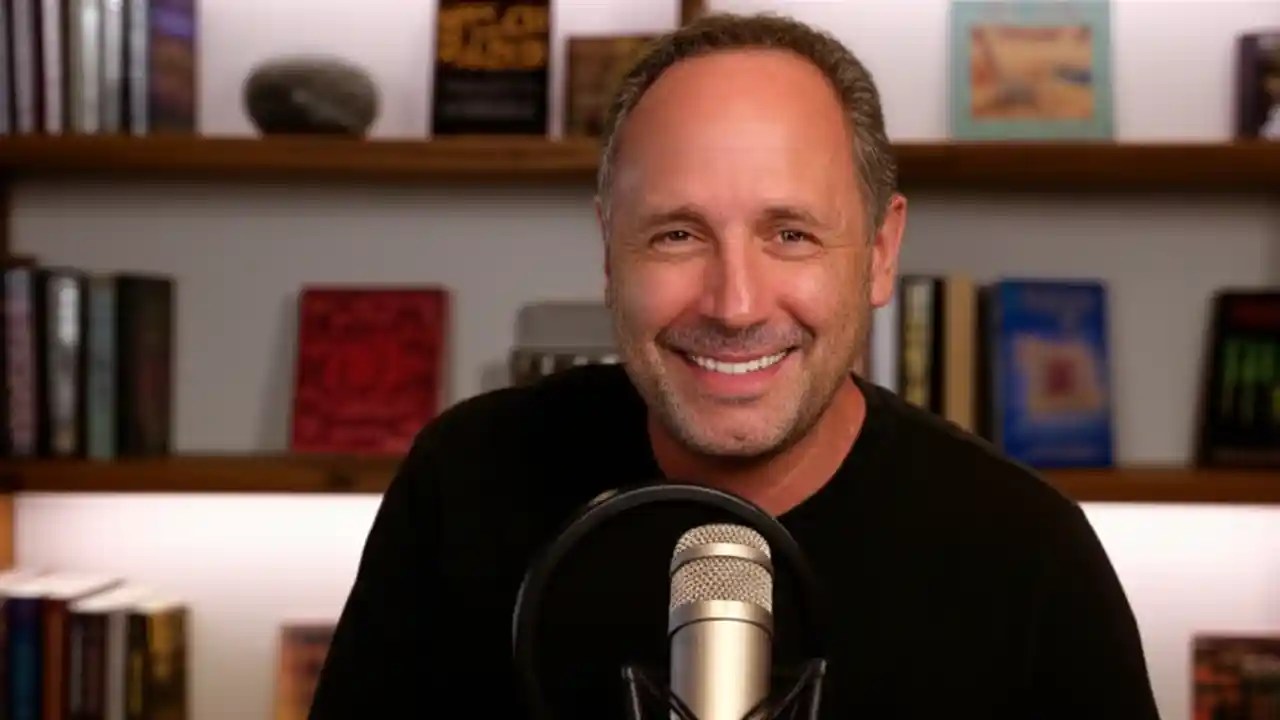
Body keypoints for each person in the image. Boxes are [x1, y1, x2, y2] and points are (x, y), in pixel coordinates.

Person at [308, 11, 1161, 720]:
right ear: (611, 251)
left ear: (878, 251)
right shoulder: (466, 485)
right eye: (677, 234)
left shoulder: (1030, 561)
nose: (735, 304)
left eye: (790, 234)